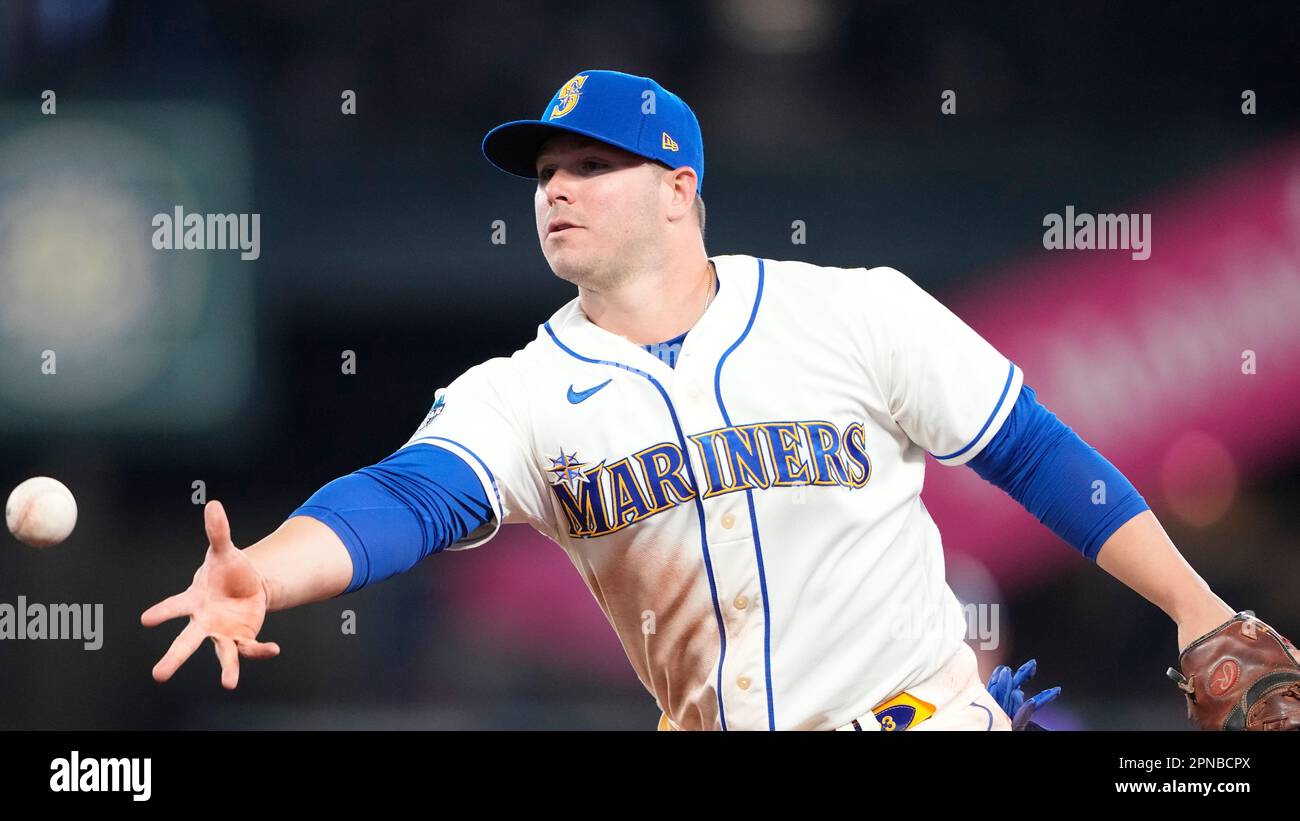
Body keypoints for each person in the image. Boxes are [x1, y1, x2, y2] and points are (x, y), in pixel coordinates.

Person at [142, 69, 1238, 731]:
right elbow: (405, 497)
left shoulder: (850, 313)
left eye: (589, 165)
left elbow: (1033, 452)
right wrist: (267, 571)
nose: (556, 188)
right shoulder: (521, 394)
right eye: (543, 174)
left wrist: (1200, 613)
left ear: (678, 192)